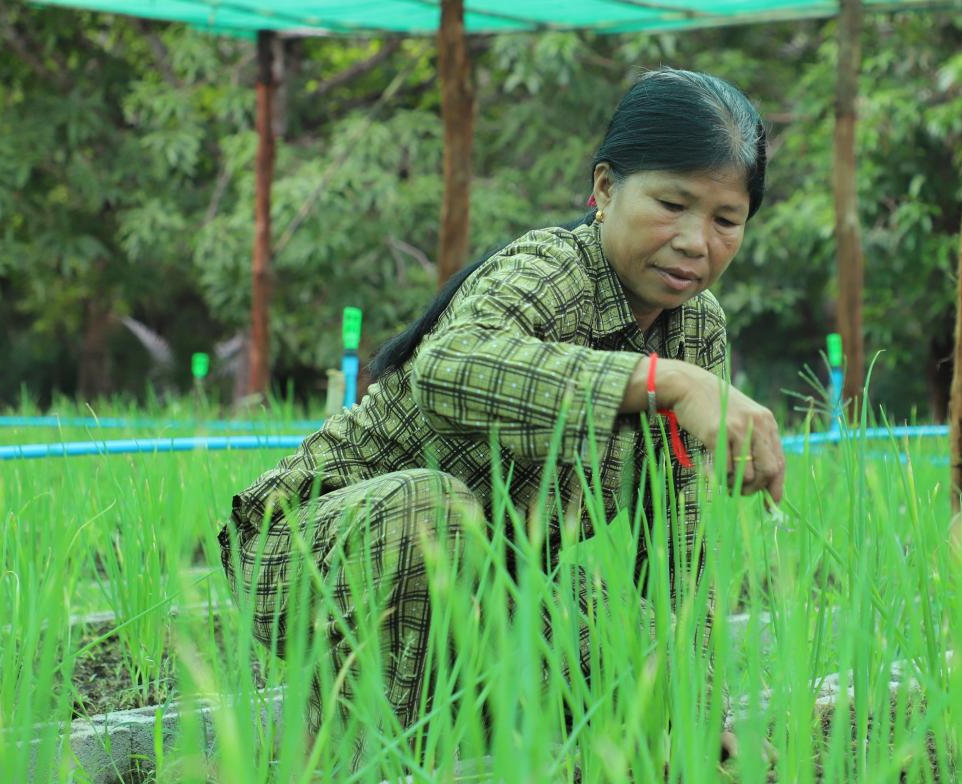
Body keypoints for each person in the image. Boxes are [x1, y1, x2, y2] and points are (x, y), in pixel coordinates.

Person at [218, 68, 786, 743]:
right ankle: (352, 753)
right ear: (606, 189)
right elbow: (447, 369)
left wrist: (697, 713)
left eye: (725, 220)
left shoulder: (696, 329)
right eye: (672, 204)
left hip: (490, 574)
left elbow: (678, 550)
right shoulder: (549, 272)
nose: (696, 241)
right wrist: (667, 382)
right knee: (430, 510)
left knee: (628, 653)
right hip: (304, 552)